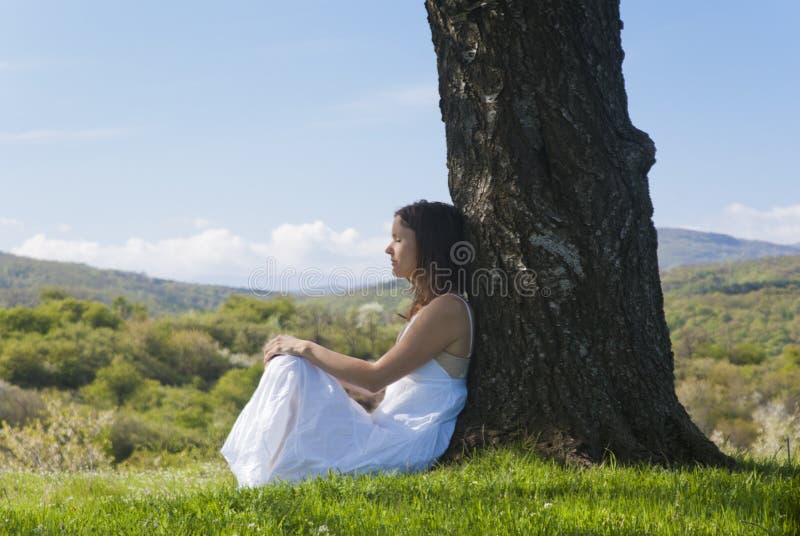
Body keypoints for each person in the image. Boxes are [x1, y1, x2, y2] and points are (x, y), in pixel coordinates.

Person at [220, 200, 474, 487]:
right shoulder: (430, 308)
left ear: (429, 245)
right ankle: (257, 472)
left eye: (398, 239)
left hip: (405, 442)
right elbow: (381, 389)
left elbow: (375, 378)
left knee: (293, 360)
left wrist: (306, 347)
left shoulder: (448, 309)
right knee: (293, 366)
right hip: (387, 428)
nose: (388, 249)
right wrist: (312, 367)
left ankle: (255, 477)